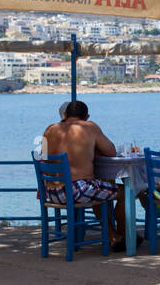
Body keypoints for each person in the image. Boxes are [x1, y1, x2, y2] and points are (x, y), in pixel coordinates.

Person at [41, 100, 127, 250]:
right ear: (86, 117)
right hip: (76, 191)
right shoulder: (89, 127)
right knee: (127, 191)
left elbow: (44, 155)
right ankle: (124, 234)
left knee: (99, 191)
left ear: (65, 115)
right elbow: (111, 151)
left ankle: (113, 235)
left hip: (52, 192)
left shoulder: (49, 130)